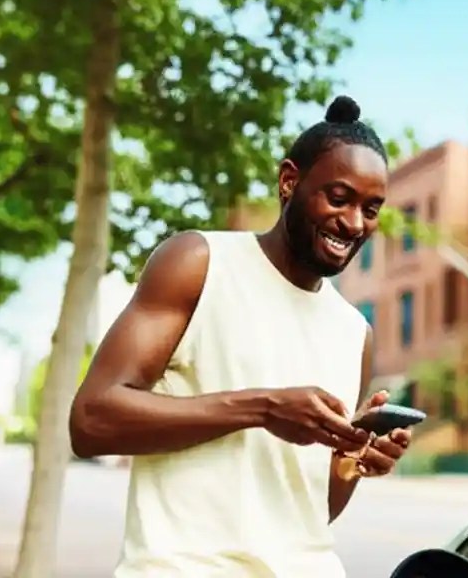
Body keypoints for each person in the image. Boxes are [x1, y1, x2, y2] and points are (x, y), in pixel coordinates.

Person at [69, 95, 413, 577]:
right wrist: (262, 408)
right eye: (338, 199)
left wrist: (350, 457)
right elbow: (91, 421)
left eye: (370, 209)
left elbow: (315, 509)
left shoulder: (355, 332)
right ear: (289, 181)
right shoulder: (198, 263)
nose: (355, 223)